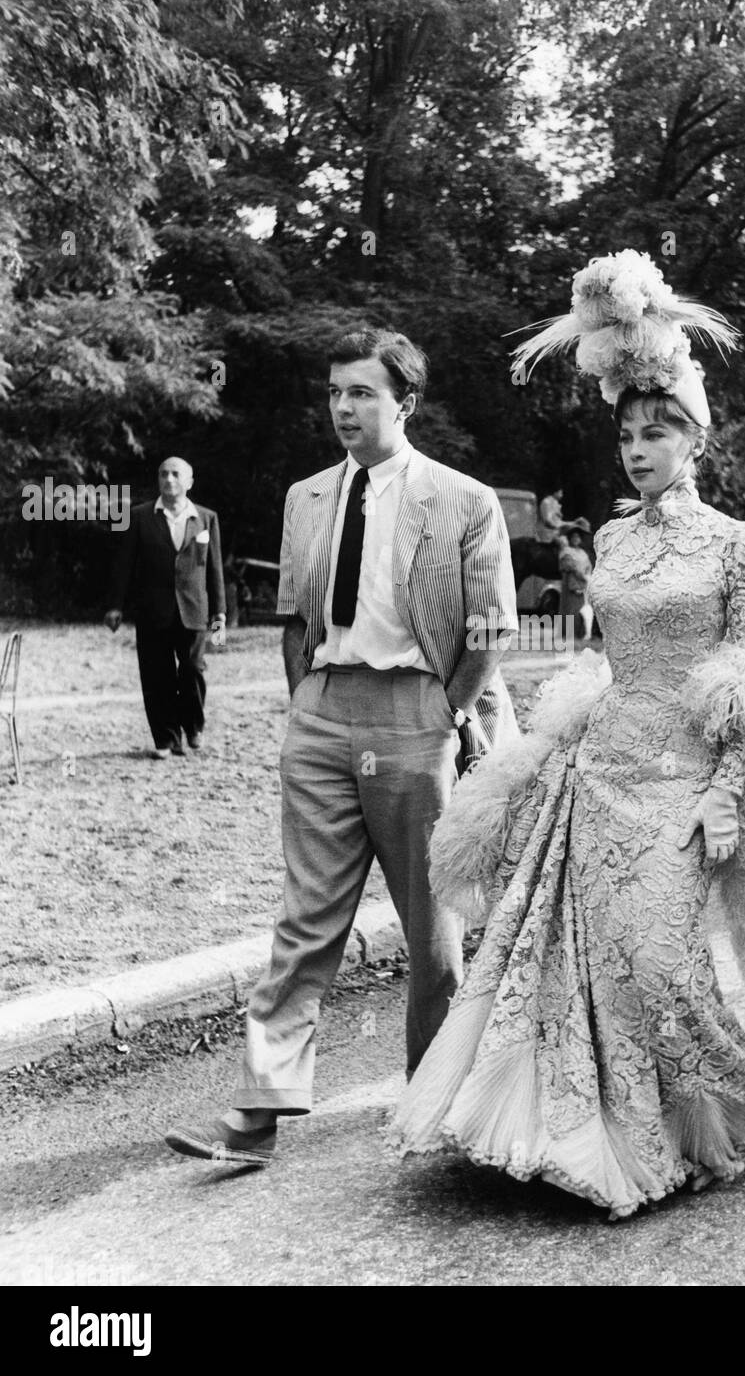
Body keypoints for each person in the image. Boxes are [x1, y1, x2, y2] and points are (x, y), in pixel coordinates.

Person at [389, 251, 745, 1218]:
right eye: (627, 434)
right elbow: (610, 661)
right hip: (598, 771)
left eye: (658, 433)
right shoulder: (609, 540)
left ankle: (738, 1094)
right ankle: (587, 1124)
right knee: (584, 959)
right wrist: (550, 750)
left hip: (685, 782)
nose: (639, 449)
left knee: (661, 959)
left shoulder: (735, 544)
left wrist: (727, 791)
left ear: (694, 439)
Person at [165, 326, 519, 1167]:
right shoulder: (307, 497)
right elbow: (295, 618)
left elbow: (488, 628)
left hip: (416, 716)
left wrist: (445, 711)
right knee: (306, 920)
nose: (344, 409)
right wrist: (307, 708)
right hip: (325, 714)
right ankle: (257, 1111)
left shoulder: (465, 501)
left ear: (406, 401)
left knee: (432, 929)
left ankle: (430, 1100)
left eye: (362, 392)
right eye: (334, 393)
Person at [105, 458, 226, 757]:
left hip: (194, 610)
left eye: (175, 474)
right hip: (152, 610)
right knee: (156, 676)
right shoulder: (138, 516)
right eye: (163, 474)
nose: (169, 479)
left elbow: (215, 568)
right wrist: (115, 605)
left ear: (189, 481)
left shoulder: (206, 518)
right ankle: (165, 738)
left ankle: (193, 726)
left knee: (192, 670)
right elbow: (123, 564)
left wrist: (219, 611)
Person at [558, 527, 593, 641]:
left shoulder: (582, 552)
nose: (575, 539)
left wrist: (588, 576)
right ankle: (569, 633)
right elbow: (571, 566)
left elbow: (588, 566)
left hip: (583, 583)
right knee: (571, 608)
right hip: (571, 582)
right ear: (570, 539)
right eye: (573, 537)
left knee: (582, 610)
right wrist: (583, 577)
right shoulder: (566, 551)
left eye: (577, 537)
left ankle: (581, 633)